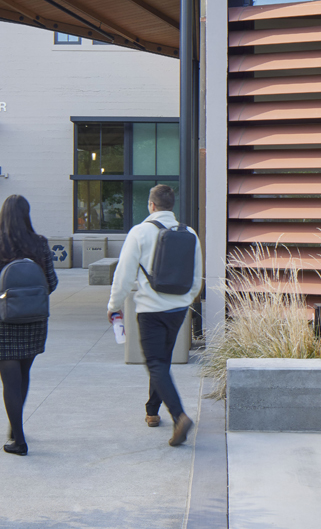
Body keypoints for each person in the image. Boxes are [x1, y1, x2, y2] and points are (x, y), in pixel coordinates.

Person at [106, 183, 203, 446]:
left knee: (156, 363)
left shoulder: (139, 232)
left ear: (151, 205)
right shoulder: (189, 233)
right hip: (178, 310)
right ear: (171, 206)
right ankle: (152, 411)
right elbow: (197, 276)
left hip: (150, 310)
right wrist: (185, 300)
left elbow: (124, 275)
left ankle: (179, 416)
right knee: (162, 362)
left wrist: (114, 305)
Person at [0, 194, 58, 456]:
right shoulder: (40, 243)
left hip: (5, 320)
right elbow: (52, 284)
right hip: (34, 320)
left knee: (10, 381)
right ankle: (15, 426)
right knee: (23, 374)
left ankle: (19, 440)